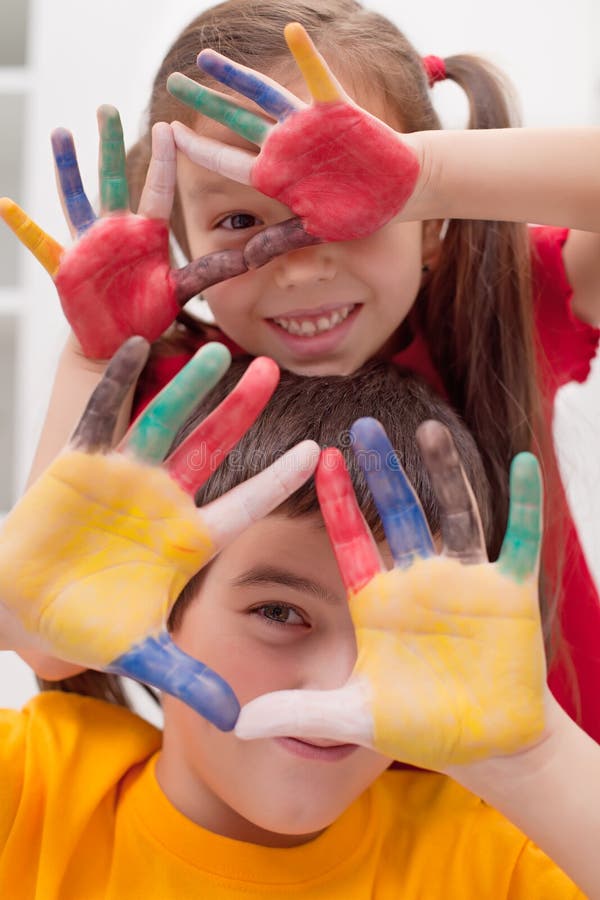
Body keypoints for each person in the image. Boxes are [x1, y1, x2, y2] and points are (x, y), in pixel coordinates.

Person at [2, 0, 600, 739]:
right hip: (297, 827)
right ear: (182, 245)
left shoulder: (499, 308)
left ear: (431, 220)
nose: (300, 267)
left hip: (539, 815)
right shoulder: (179, 397)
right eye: (241, 223)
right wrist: (94, 354)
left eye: (354, 211)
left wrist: (429, 172)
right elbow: (43, 637)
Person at [1, 351, 597, 897]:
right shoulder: (36, 789)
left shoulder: (490, 862)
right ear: (158, 604)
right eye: (280, 613)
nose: (340, 680)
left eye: (400, 637)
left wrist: (537, 761)